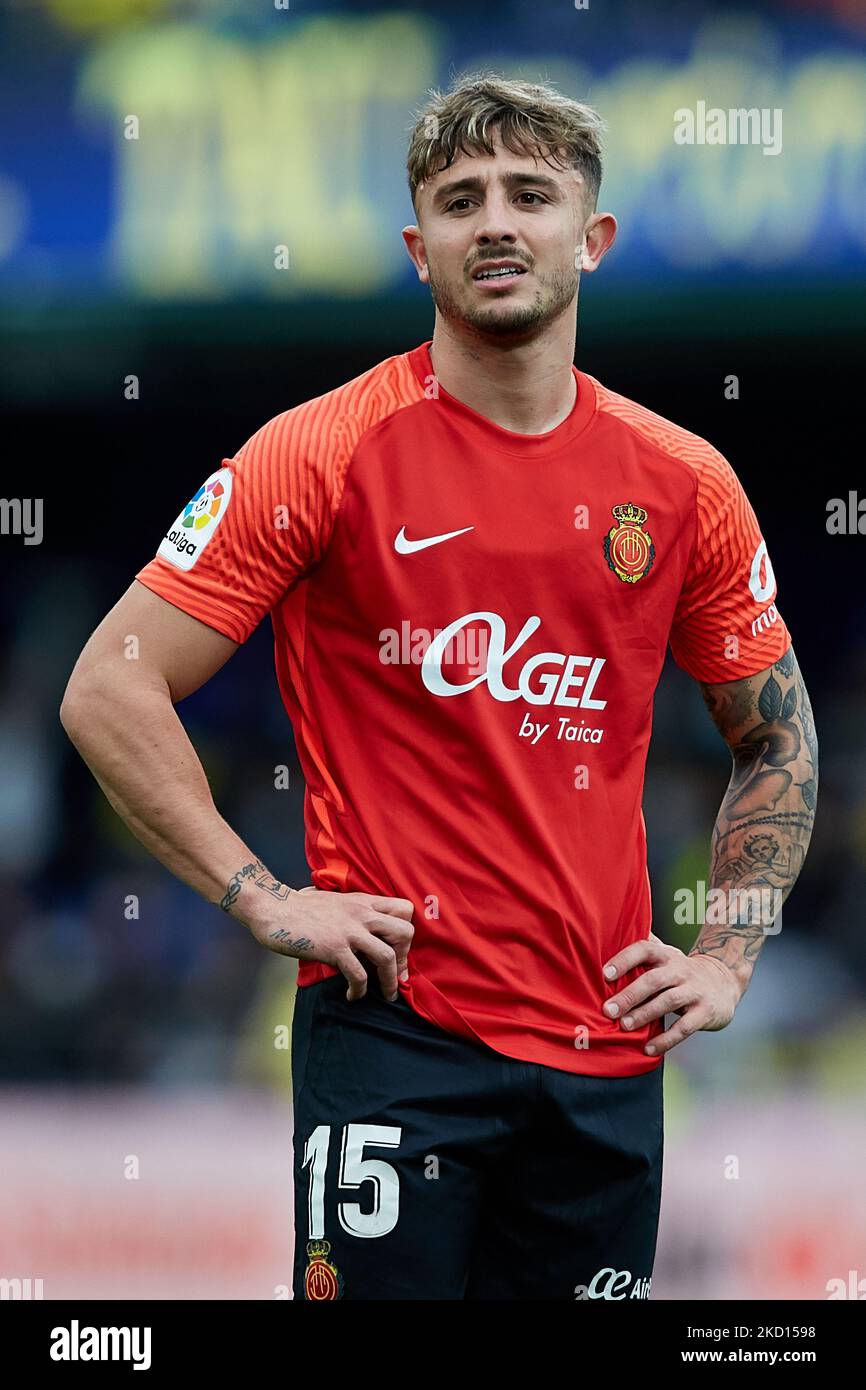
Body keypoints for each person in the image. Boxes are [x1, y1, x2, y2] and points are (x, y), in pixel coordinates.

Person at [60, 71, 817, 1300]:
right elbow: (109, 686)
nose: (496, 223)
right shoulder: (318, 451)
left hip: (608, 1054)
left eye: (531, 194)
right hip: (395, 1037)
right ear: (420, 250)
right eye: (459, 202)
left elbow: (774, 737)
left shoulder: (683, 483)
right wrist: (259, 896)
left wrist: (728, 953)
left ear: (594, 237)